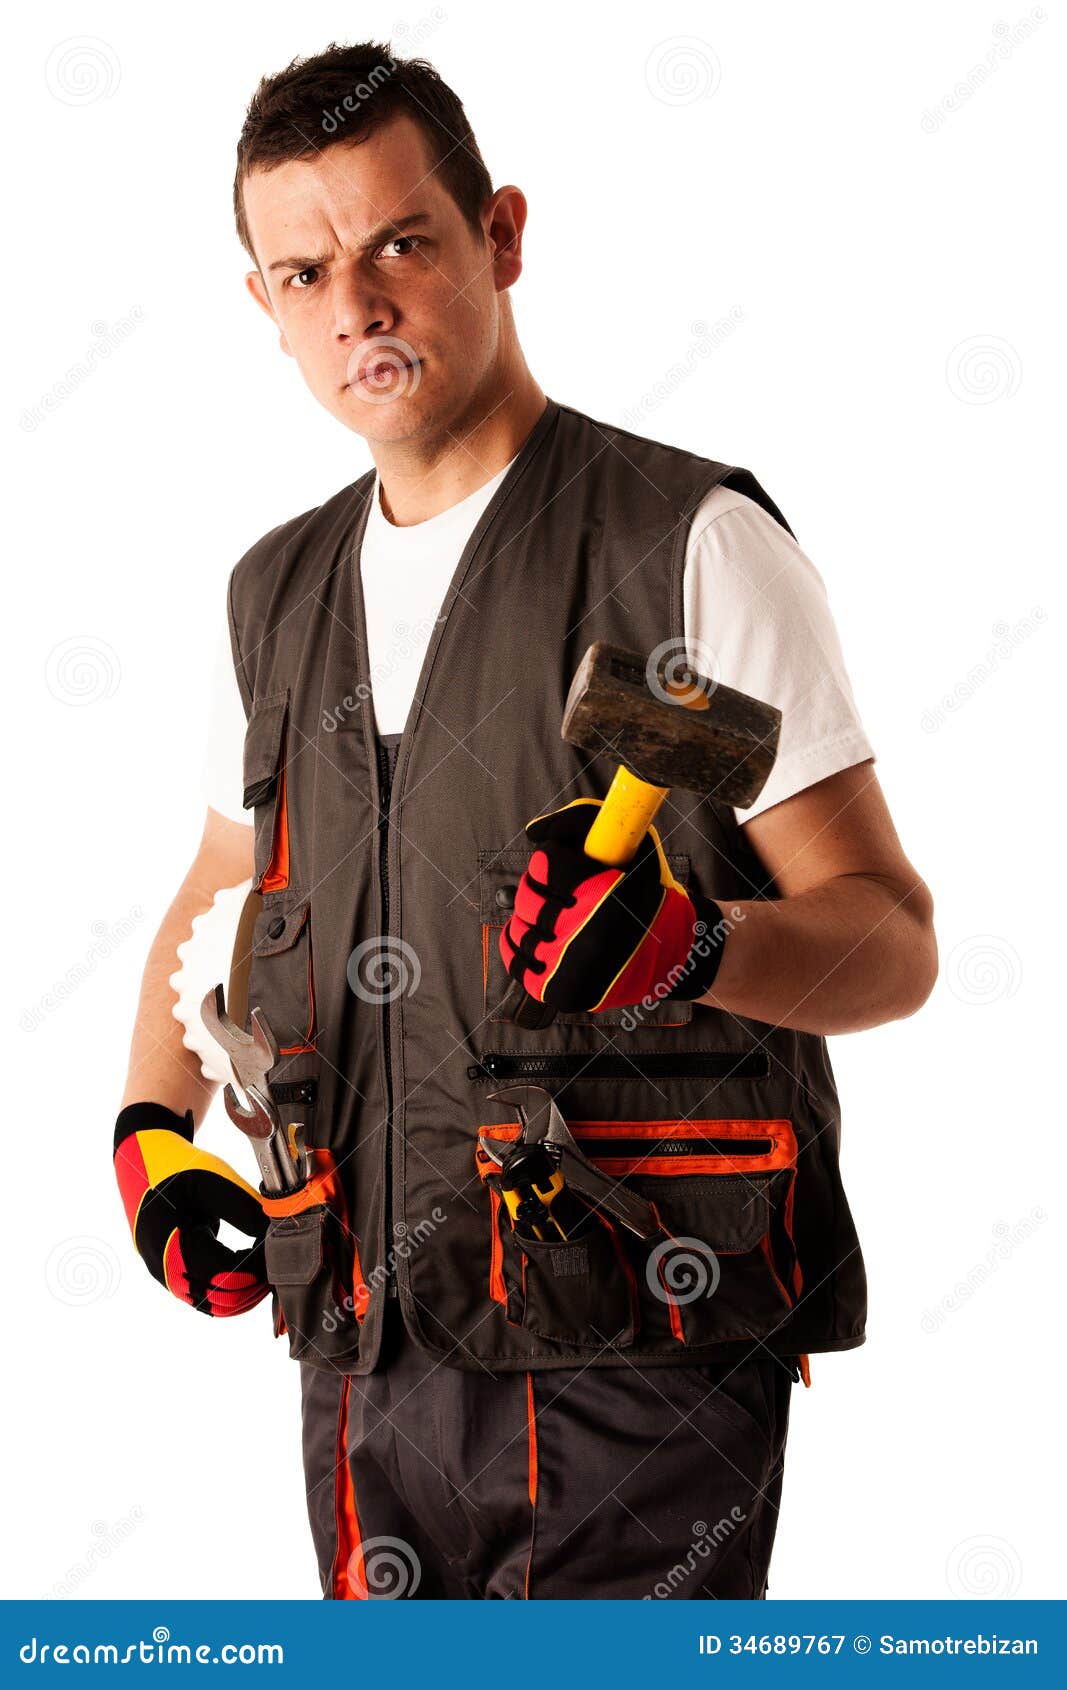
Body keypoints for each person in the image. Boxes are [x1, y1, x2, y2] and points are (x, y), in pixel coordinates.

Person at [114, 42, 937, 1601]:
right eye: (305, 273)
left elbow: (893, 943)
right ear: (265, 307)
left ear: (499, 235)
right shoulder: (273, 595)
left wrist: (694, 944)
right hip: (362, 1348)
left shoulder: (688, 544)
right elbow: (222, 889)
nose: (355, 306)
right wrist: (150, 1134)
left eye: (398, 244)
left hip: (637, 1351)